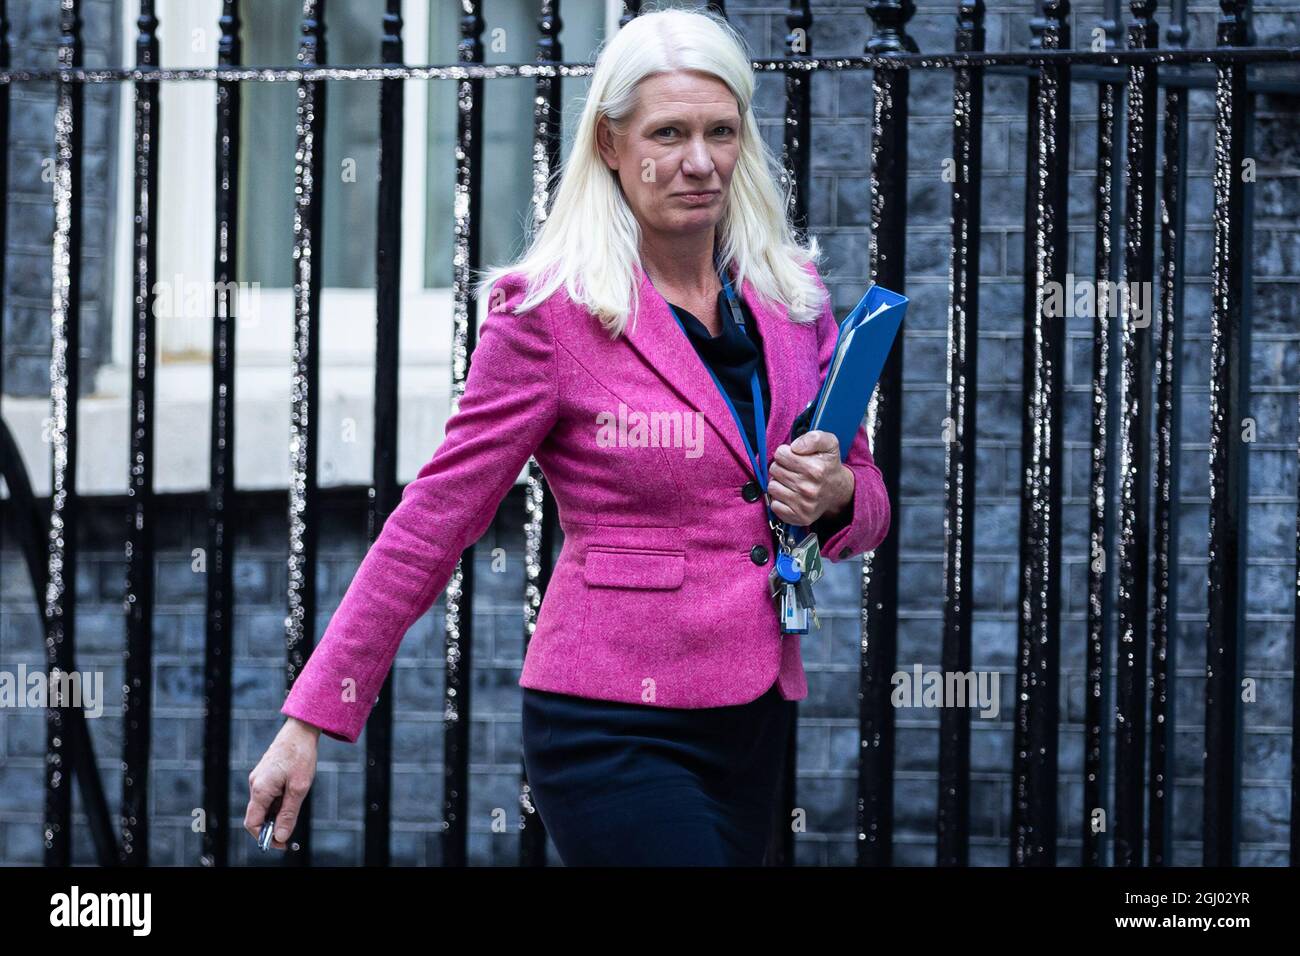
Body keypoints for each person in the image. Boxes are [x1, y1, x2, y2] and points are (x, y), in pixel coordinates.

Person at [245, 6, 890, 866]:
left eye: (720, 132)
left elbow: (865, 489)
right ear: (612, 146)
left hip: (755, 710)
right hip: (611, 720)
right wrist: (314, 712)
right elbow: (435, 518)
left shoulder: (788, 291)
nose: (700, 161)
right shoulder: (548, 312)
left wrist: (841, 494)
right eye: (669, 132)